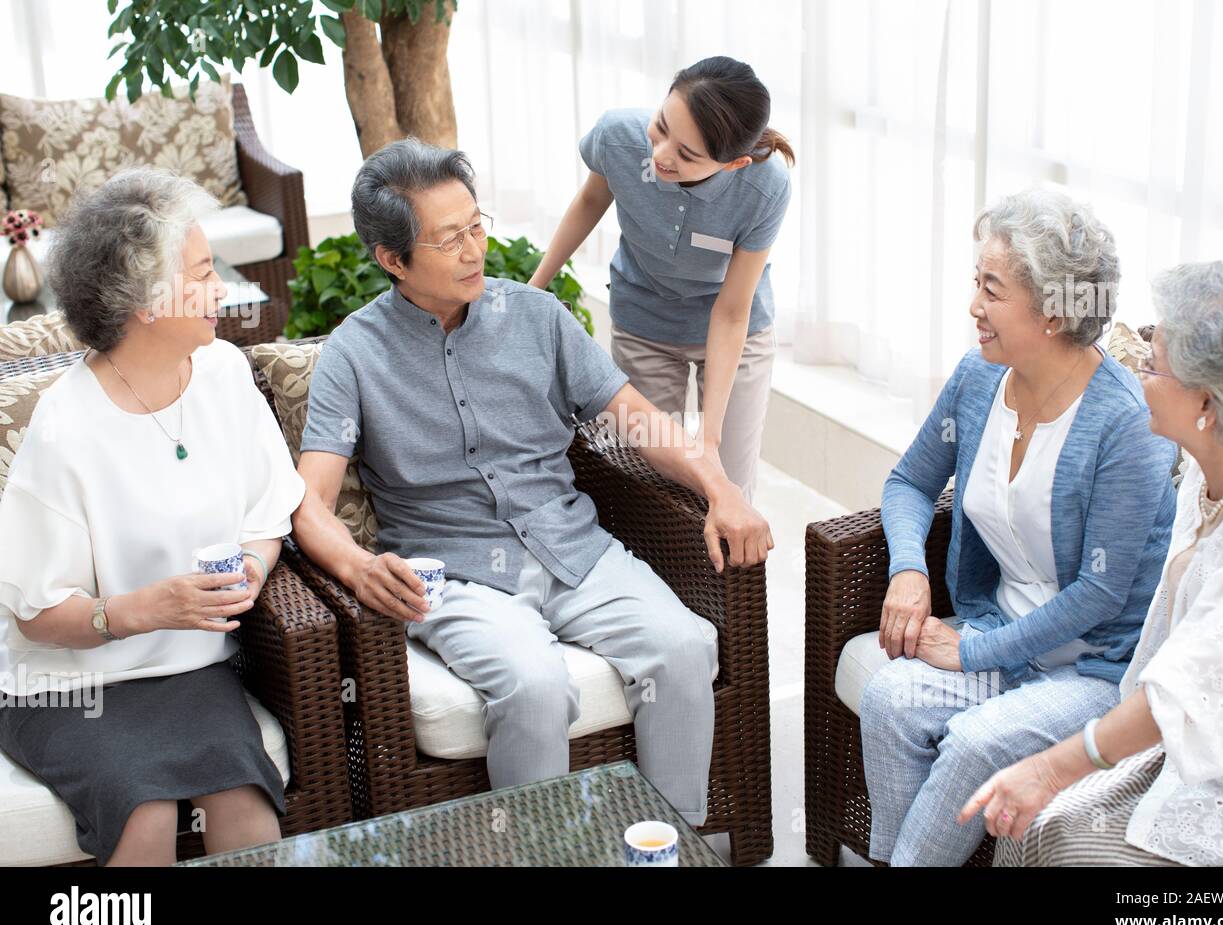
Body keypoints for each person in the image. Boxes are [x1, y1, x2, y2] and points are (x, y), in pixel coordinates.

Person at [291, 140, 773, 827]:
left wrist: (721, 488)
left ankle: (668, 847)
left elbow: (638, 421)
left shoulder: (538, 318)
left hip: (572, 544)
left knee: (684, 647)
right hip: (457, 577)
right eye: (448, 239)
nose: (473, 249)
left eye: (476, 225)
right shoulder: (354, 354)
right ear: (392, 260)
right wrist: (355, 565)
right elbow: (307, 502)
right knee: (535, 685)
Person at [858, 189, 1177, 865]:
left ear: (1054, 312)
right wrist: (909, 570)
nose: (974, 305)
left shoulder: (1126, 425)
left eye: (992, 290)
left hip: (1093, 670)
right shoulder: (980, 378)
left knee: (977, 740)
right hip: (998, 630)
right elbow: (910, 482)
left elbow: (1100, 596)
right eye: (978, 283)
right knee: (888, 697)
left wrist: (972, 654)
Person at [0, 168, 306, 865]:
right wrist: (138, 610)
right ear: (142, 301)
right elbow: (35, 616)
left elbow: (269, 510)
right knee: (143, 816)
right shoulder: (67, 429)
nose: (221, 290)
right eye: (201, 273)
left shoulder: (224, 374)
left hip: (191, 670)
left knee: (245, 807)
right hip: (72, 682)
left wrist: (253, 570)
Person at [961, 261, 1223, 866]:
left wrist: (1048, 768)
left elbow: (1188, 685)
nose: (1136, 372)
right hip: (1178, 747)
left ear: (1207, 403)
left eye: (1152, 363)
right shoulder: (1210, 465)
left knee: (1057, 828)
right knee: (1038, 829)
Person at [531, 55, 794, 502]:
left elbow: (731, 313)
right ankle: (657, 573)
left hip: (735, 333)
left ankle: (728, 574)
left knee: (727, 485)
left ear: (733, 164)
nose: (660, 155)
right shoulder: (617, 135)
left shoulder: (765, 186)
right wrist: (533, 290)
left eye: (686, 155)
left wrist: (707, 442)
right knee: (647, 479)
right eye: (662, 126)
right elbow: (590, 202)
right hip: (645, 323)